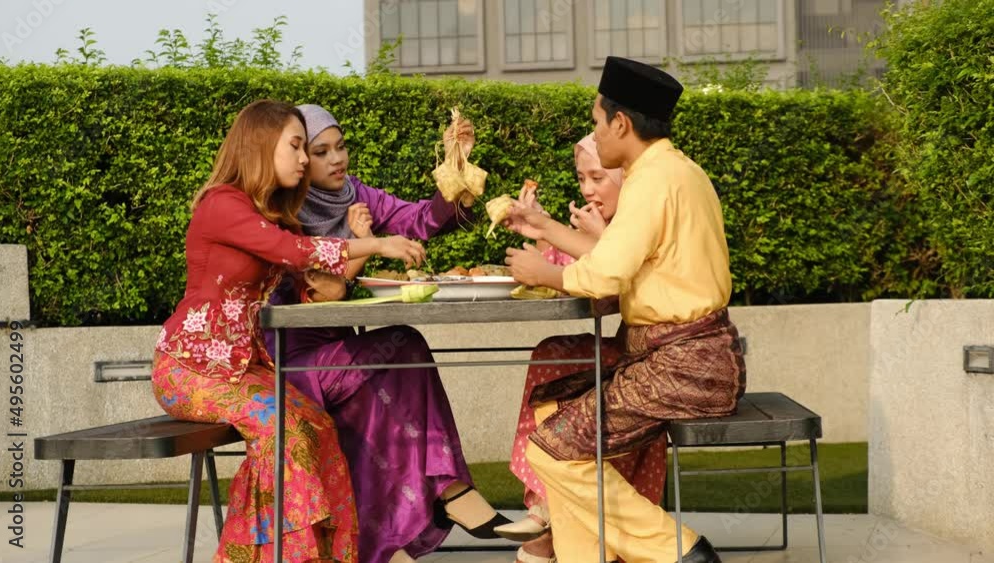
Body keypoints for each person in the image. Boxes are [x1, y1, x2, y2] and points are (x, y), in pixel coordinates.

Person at [151, 99, 426, 562]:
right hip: (189, 369)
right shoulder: (222, 204)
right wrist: (375, 242)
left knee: (317, 425)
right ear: (260, 146)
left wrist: (333, 283)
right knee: (284, 433)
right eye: (296, 147)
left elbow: (304, 281)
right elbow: (294, 251)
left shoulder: (267, 213)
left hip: (244, 370)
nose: (305, 159)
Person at [503, 57, 746, 563]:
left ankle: (680, 550)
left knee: (549, 448)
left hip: (683, 367)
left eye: (597, 121)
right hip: (684, 359)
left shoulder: (652, 180)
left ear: (621, 123)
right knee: (552, 411)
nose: (595, 131)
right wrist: (545, 228)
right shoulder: (673, 170)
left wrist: (541, 272)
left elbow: (604, 276)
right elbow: (613, 256)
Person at [264, 104, 512, 563]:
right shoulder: (281, 211)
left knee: (391, 380)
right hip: (296, 363)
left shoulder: (354, 195)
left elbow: (419, 221)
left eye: (340, 147)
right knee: (405, 345)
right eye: (320, 152)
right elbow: (319, 292)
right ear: (300, 159)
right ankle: (448, 491)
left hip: (339, 352)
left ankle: (384, 543)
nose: (336, 159)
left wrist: (457, 167)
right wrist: (362, 244)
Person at [493, 133, 666, 563]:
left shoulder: (638, 219)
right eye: (581, 177)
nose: (587, 189)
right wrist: (544, 238)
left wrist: (600, 238)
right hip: (634, 349)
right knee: (555, 350)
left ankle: (551, 512)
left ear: (629, 177)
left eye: (597, 178)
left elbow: (609, 289)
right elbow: (562, 273)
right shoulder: (605, 222)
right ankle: (548, 507)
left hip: (655, 359)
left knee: (563, 358)